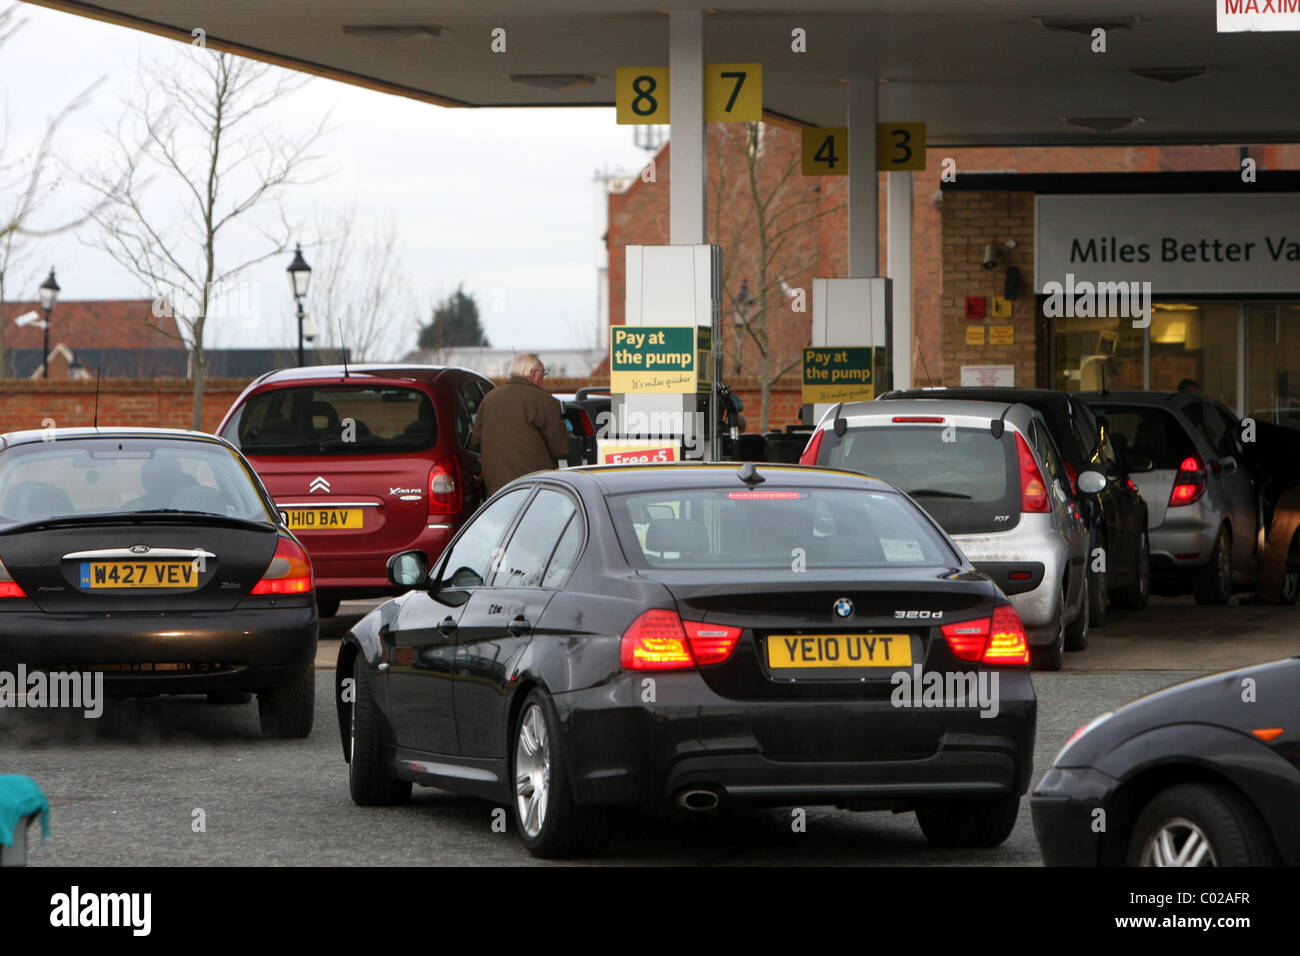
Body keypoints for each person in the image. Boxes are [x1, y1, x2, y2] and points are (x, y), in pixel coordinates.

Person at [471, 353, 571, 495]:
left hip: (496, 492)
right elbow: (561, 449)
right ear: (533, 373)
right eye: (544, 374)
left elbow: (476, 442)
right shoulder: (545, 401)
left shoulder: (489, 399)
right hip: (533, 489)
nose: (543, 379)